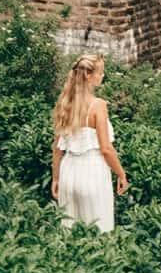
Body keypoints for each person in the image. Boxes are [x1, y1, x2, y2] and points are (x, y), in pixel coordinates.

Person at [50, 53, 128, 231]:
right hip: (92, 171)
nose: (103, 75)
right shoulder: (98, 105)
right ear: (88, 75)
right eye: (100, 72)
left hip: (68, 173)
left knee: (69, 230)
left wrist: (56, 178)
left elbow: (57, 149)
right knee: (99, 230)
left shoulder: (64, 103)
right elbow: (106, 149)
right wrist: (121, 174)